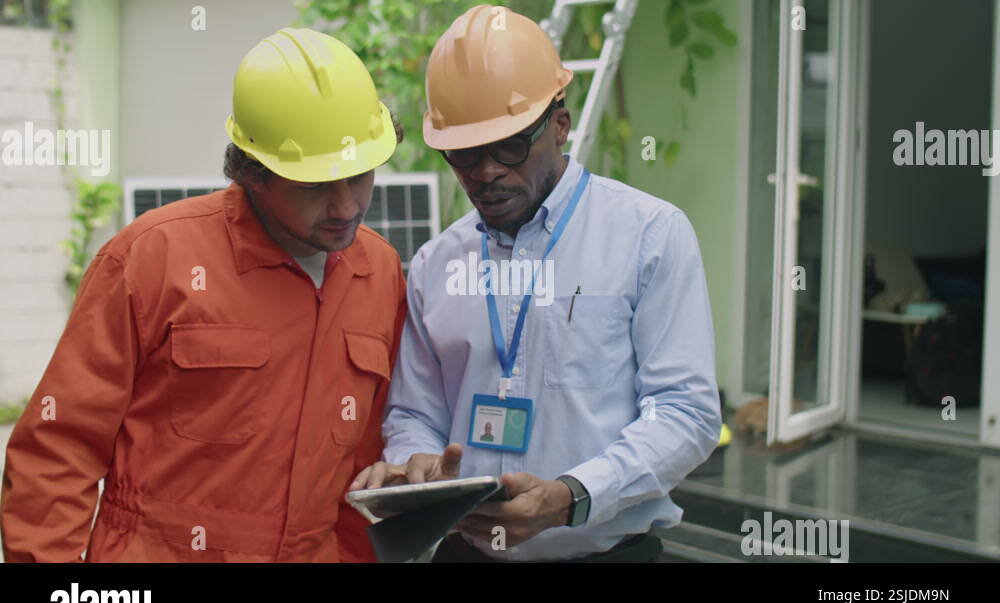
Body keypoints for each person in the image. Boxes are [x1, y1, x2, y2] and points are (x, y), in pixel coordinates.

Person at [1, 28, 405, 562]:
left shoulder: (380, 272)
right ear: (252, 174)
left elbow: (367, 474)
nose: (346, 206)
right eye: (314, 186)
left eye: (359, 177)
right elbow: (57, 449)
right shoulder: (152, 257)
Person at [350, 6, 721, 563]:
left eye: (510, 146)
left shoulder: (649, 237)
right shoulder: (435, 264)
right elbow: (414, 413)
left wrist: (571, 496)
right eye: (464, 154)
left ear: (560, 125)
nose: (487, 171)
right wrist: (416, 462)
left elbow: (685, 413)